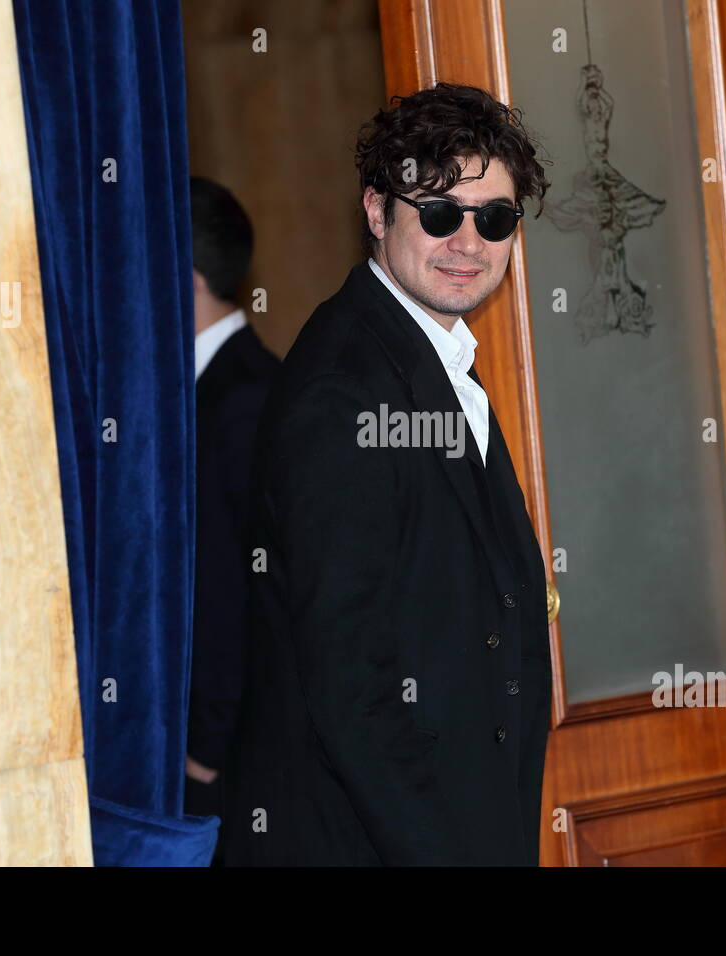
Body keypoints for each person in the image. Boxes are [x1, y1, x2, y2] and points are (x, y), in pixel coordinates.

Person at [223, 82, 554, 865]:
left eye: (495, 218)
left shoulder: (432, 357)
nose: (467, 242)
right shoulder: (344, 389)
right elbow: (351, 683)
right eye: (438, 212)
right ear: (377, 213)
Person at [184, 176, 279, 866]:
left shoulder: (246, 398)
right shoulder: (211, 387)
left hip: (232, 752)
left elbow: (240, 586)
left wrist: (204, 747)